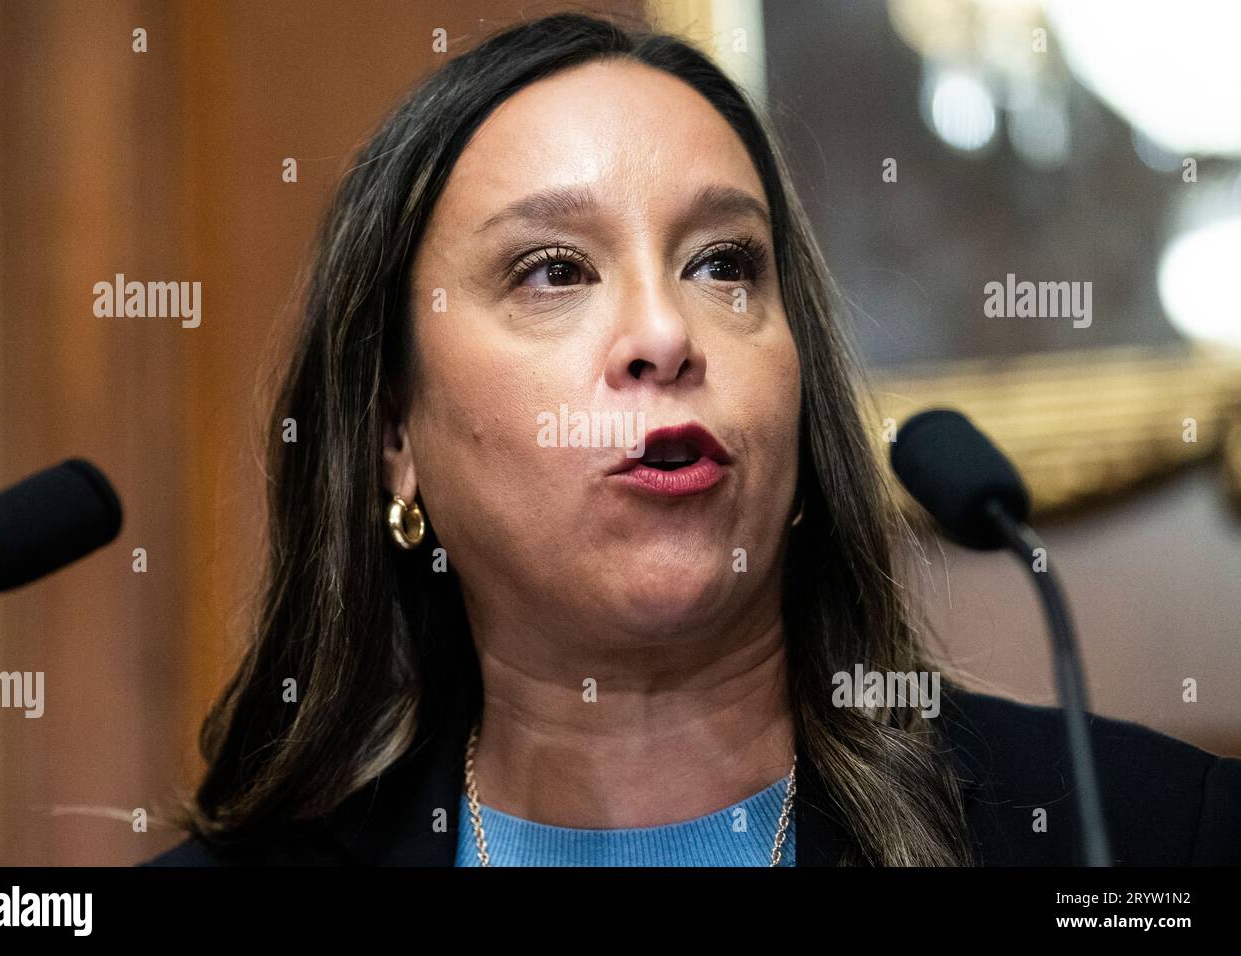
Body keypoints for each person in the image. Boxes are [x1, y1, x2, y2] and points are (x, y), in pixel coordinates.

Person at [144, 12, 1241, 867]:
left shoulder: (1140, 836)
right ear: (395, 436)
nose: (665, 334)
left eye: (724, 264)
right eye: (553, 270)